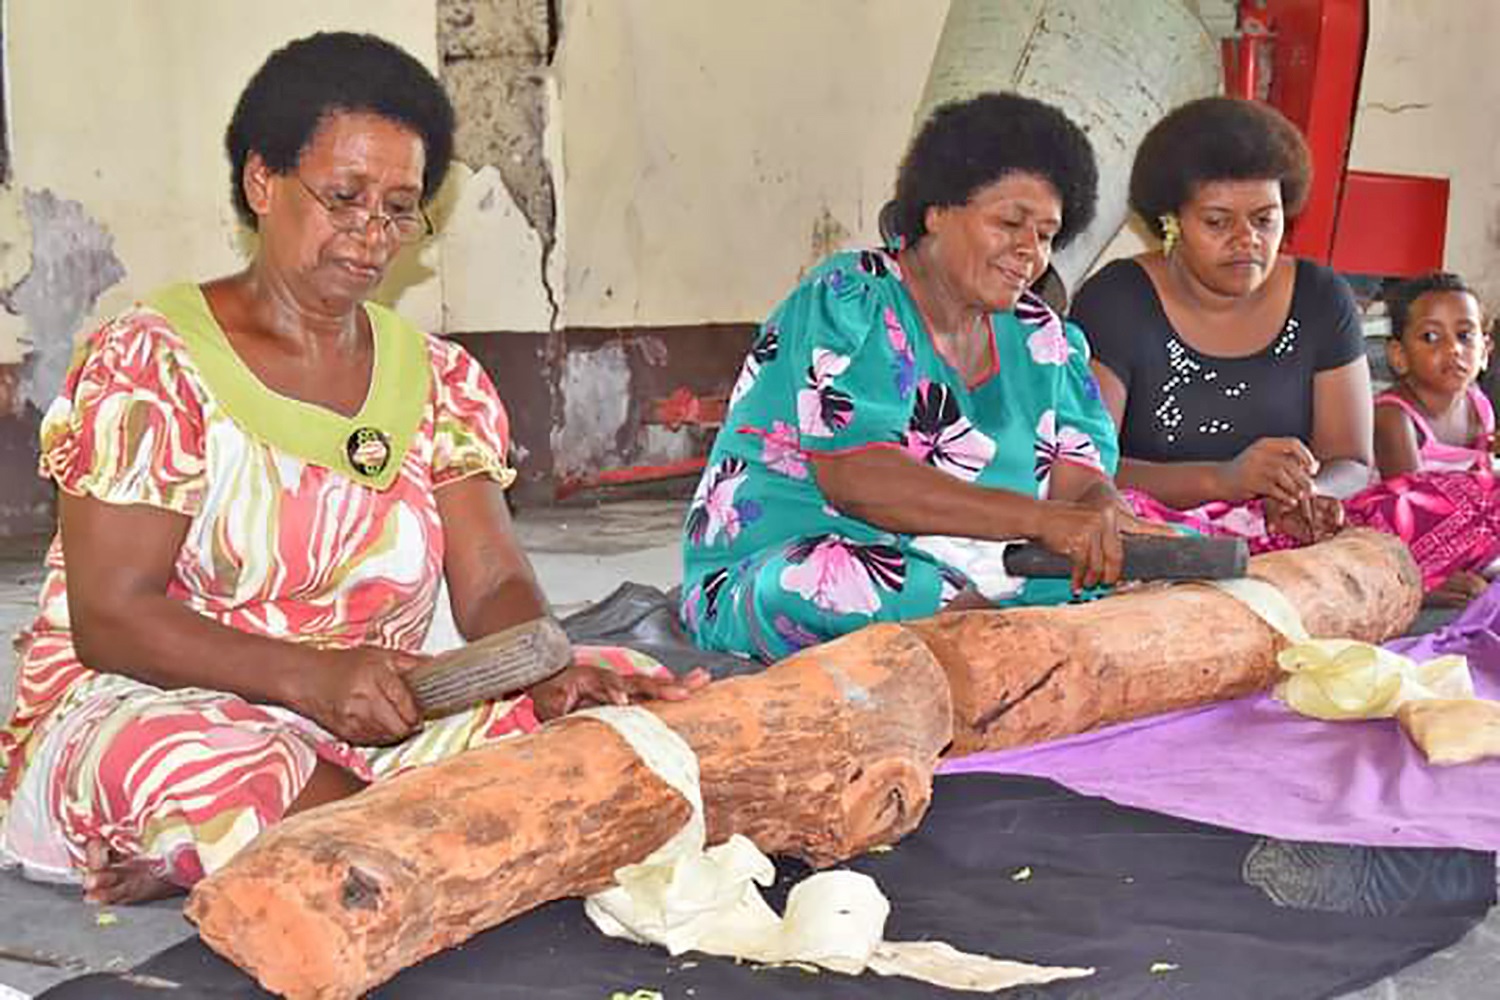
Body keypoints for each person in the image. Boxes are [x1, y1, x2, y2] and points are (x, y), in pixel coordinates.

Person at [0, 32, 706, 905]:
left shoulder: (440, 379)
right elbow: (112, 620)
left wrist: (543, 668)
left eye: (401, 208)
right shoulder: (153, 363)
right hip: (157, 705)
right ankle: (327, 848)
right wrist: (309, 678)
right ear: (263, 182)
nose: (373, 234)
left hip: (380, 712)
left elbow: (490, 584)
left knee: (611, 733)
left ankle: (258, 857)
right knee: (240, 769)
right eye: (345, 198)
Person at [679, 92, 1168, 662]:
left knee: (1164, 568)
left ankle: (1005, 646)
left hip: (991, 567)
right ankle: (1013, 653)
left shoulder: (1042, 336)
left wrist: (1100, 513)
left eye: (1045, 235)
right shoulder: (852, 300)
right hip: (808, 562)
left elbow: (1079, 482)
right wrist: (1044, 520)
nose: (1028, 253)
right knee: (859, 585)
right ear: (936, 210)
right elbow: (860, 479)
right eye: (1009, 223)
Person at [1071, 95, 1374, 536]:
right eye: (1217, 222)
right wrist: (1223, 481)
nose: (1247, 239)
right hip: (1158, 539)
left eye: (1264, 220)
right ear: (1171, 222)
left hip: (1287, 537)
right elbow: (1082, 471)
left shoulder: (1321, 298)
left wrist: (1309, 495)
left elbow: (1352, 460)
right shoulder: (1117, 301)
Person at [1374, 272, 1493, 477]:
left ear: (1484, 352)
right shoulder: (1393, 417)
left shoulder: (1478, 407)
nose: (1454, 348)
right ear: (1399, 355)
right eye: (1431, 336)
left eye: (1464, 335)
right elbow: (1411, 499)